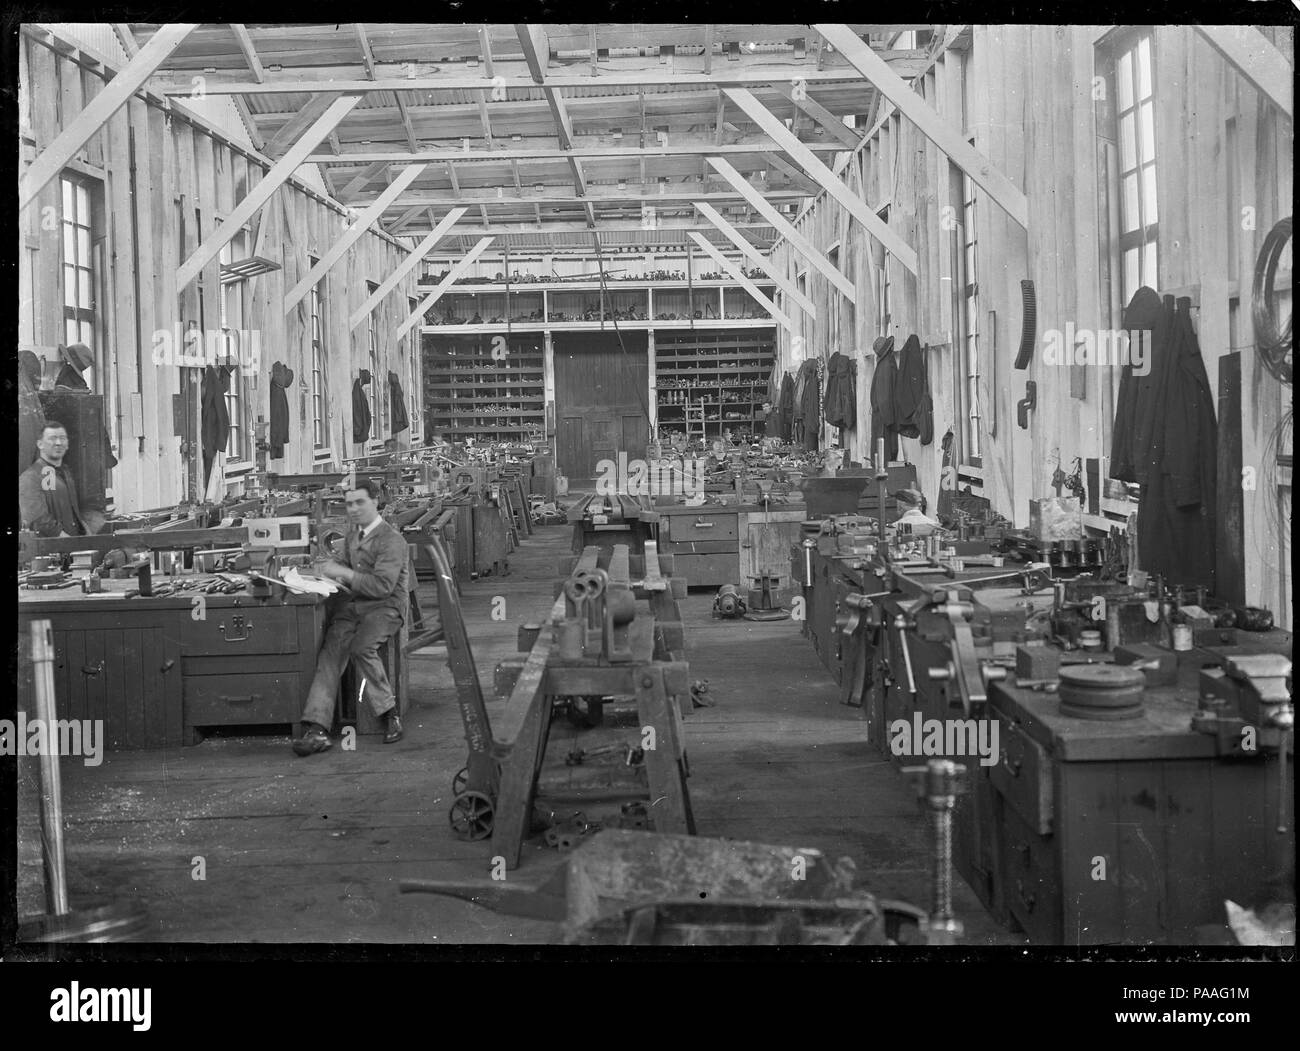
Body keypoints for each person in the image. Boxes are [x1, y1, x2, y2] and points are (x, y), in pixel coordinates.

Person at [292, 479, 409, 755]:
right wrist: (324, 571)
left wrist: (343, 574)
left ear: (375, 501)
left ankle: (389, 713)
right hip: (355, 606)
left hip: (385, 608)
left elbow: (382, 587)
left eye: (360, 502)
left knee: (361, 647)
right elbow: (344, 564)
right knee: (331, 650)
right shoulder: (354, 535)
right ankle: (317, 728)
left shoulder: (392, 539)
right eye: (349, 504)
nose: (354, 509)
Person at [19, 421, 99, 537]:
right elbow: (38, 521)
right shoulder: (29, 478)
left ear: (67, 444)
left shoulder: (65, 473)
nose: (58, 443)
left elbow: (73, 512)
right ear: (40, 444)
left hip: (73, 546)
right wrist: (68, 542)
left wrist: (85, 530)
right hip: (50, 549)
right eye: (52, 438)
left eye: (62, 438)